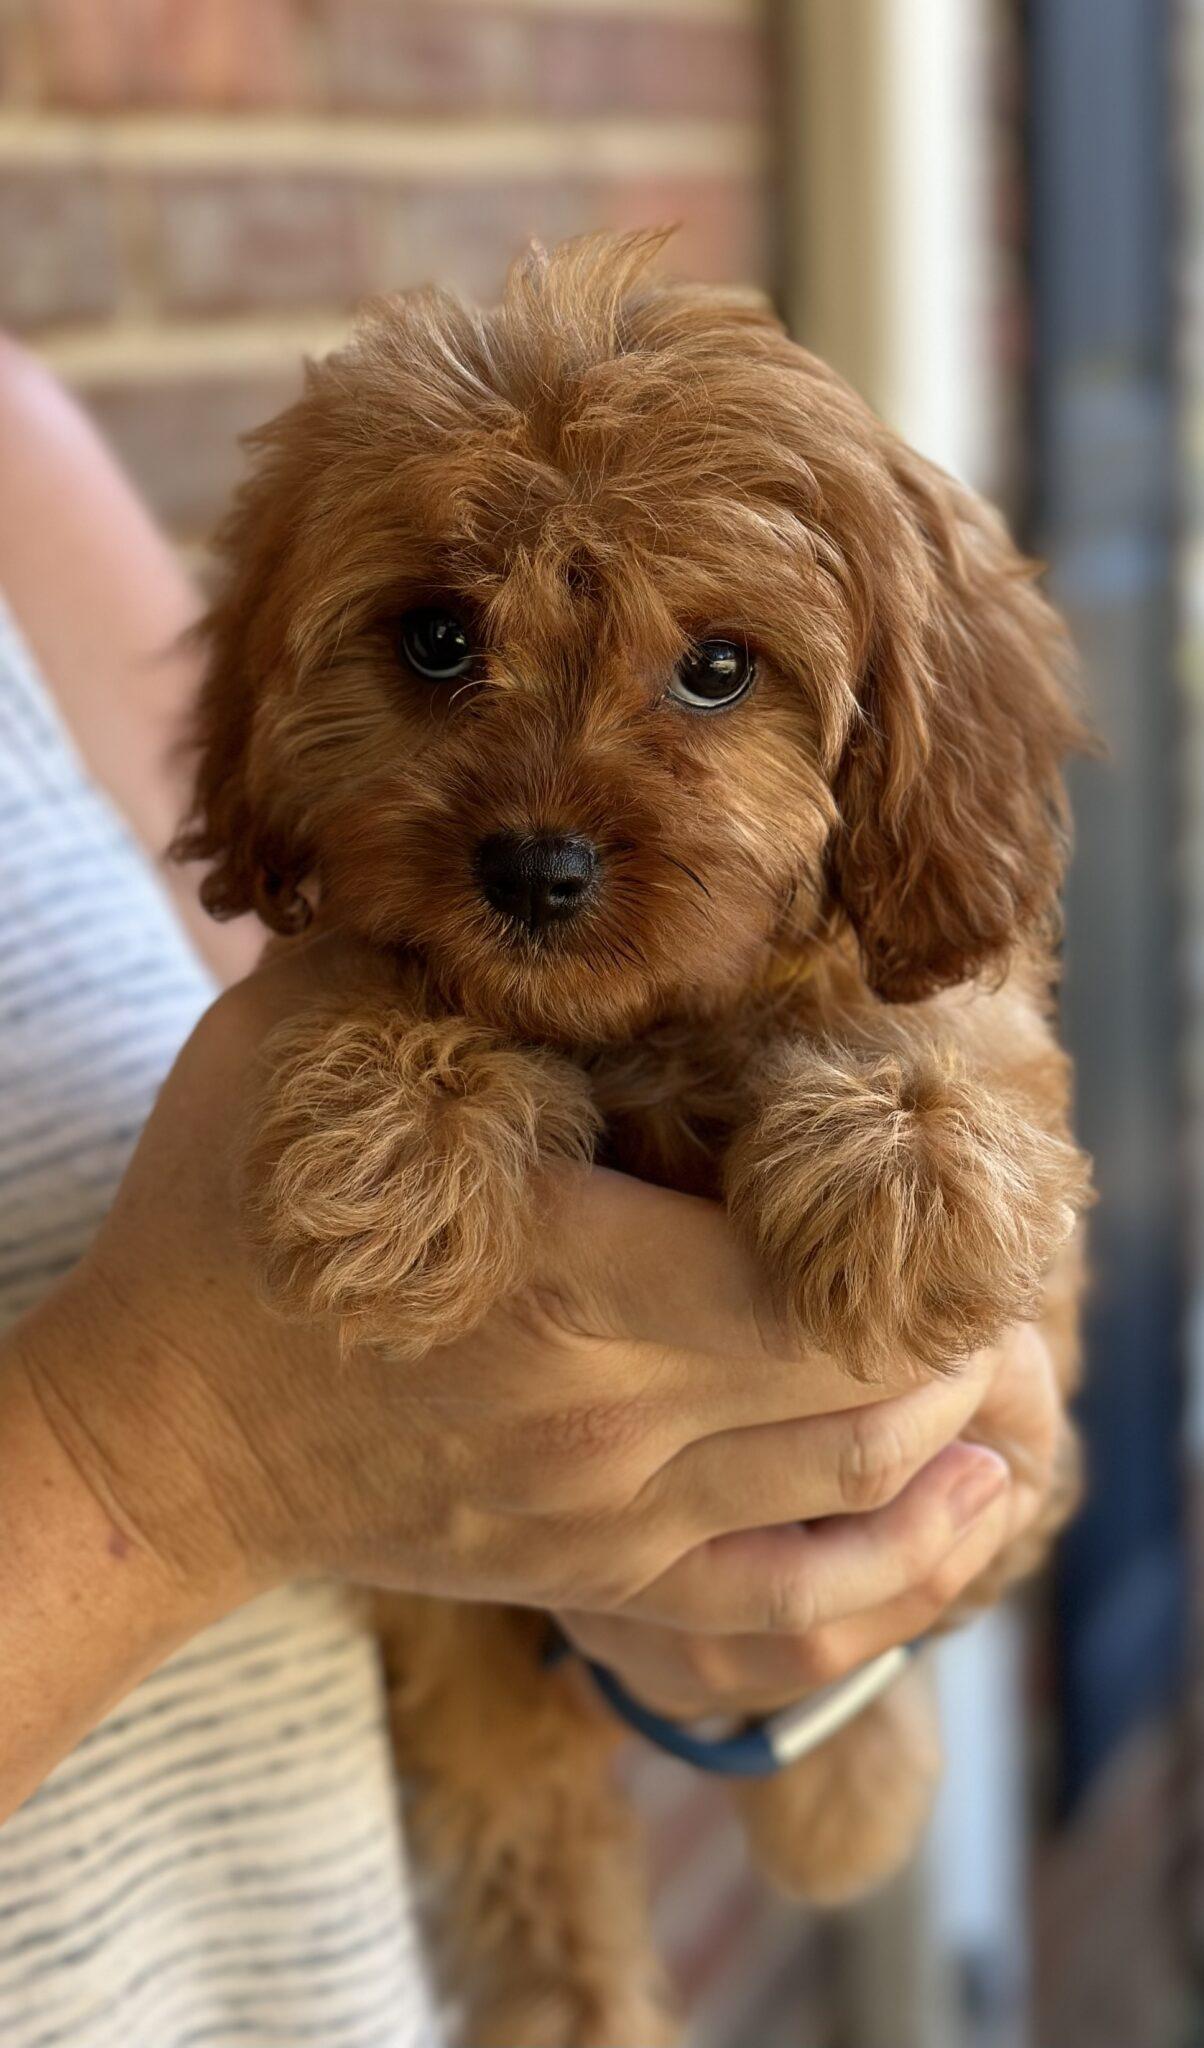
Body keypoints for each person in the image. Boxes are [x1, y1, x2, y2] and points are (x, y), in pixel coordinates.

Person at [0, 334, 1062, 2048]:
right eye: (442, 645)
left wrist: (766, 1658)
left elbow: (980, 1314)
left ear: (899, 727)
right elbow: (302, 999)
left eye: (712, 671)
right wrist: (174, 1460)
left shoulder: (17, 459)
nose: (545, 819)